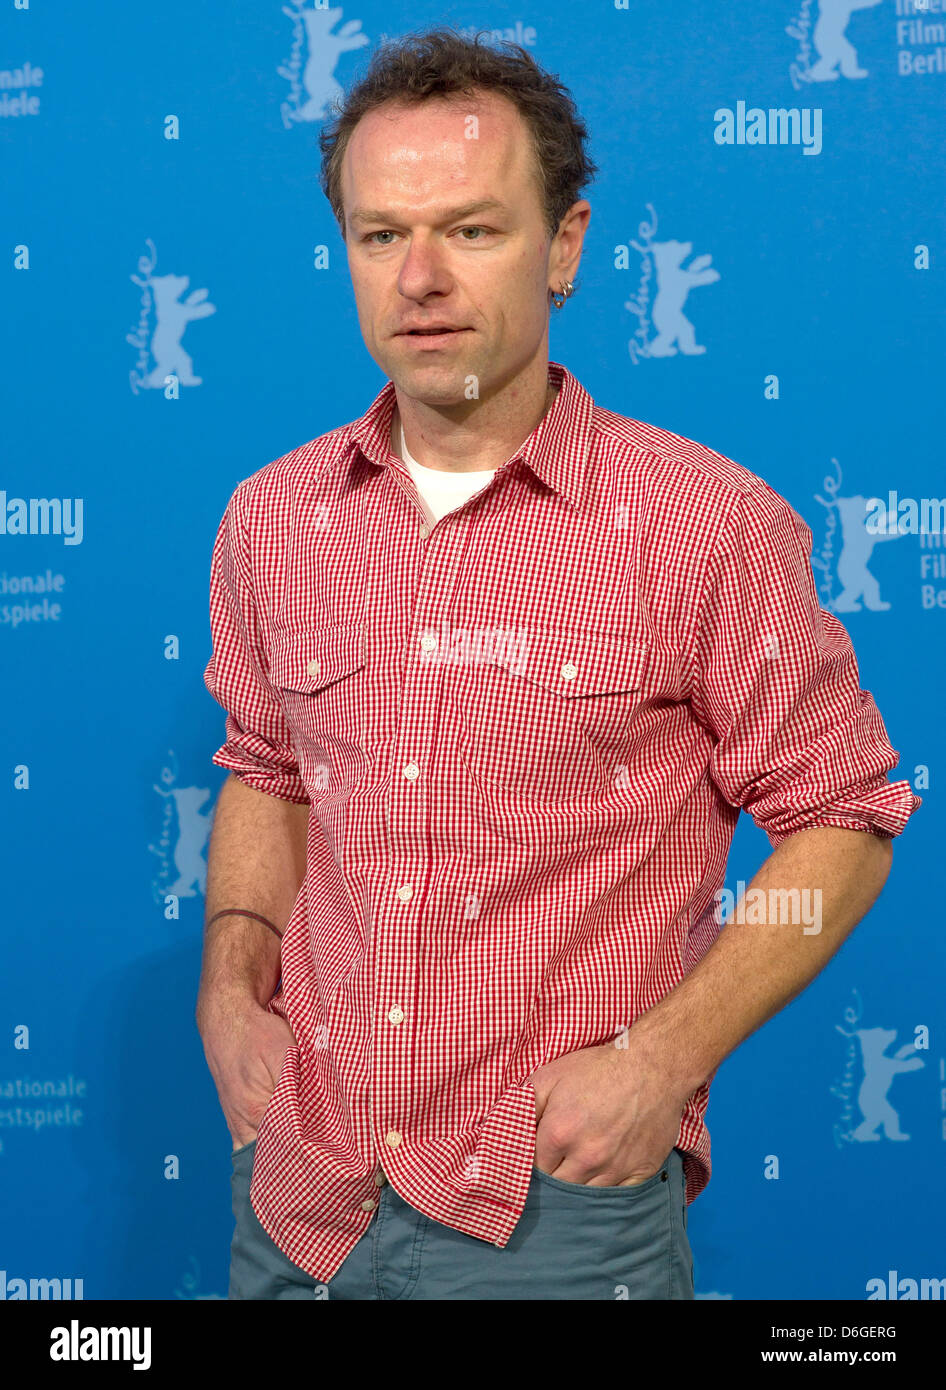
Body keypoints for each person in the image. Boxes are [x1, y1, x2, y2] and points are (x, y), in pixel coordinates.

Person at [195, 27, 921, 1301]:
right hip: (302, 1192)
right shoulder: (272, 517)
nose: (419, 277)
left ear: (567, 246)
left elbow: (846, 817)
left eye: (471, 231)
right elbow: (267, 767)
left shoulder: (705, 521)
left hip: (554, 1214)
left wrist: (663, 1061)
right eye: (380, 236)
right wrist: (228, 985)